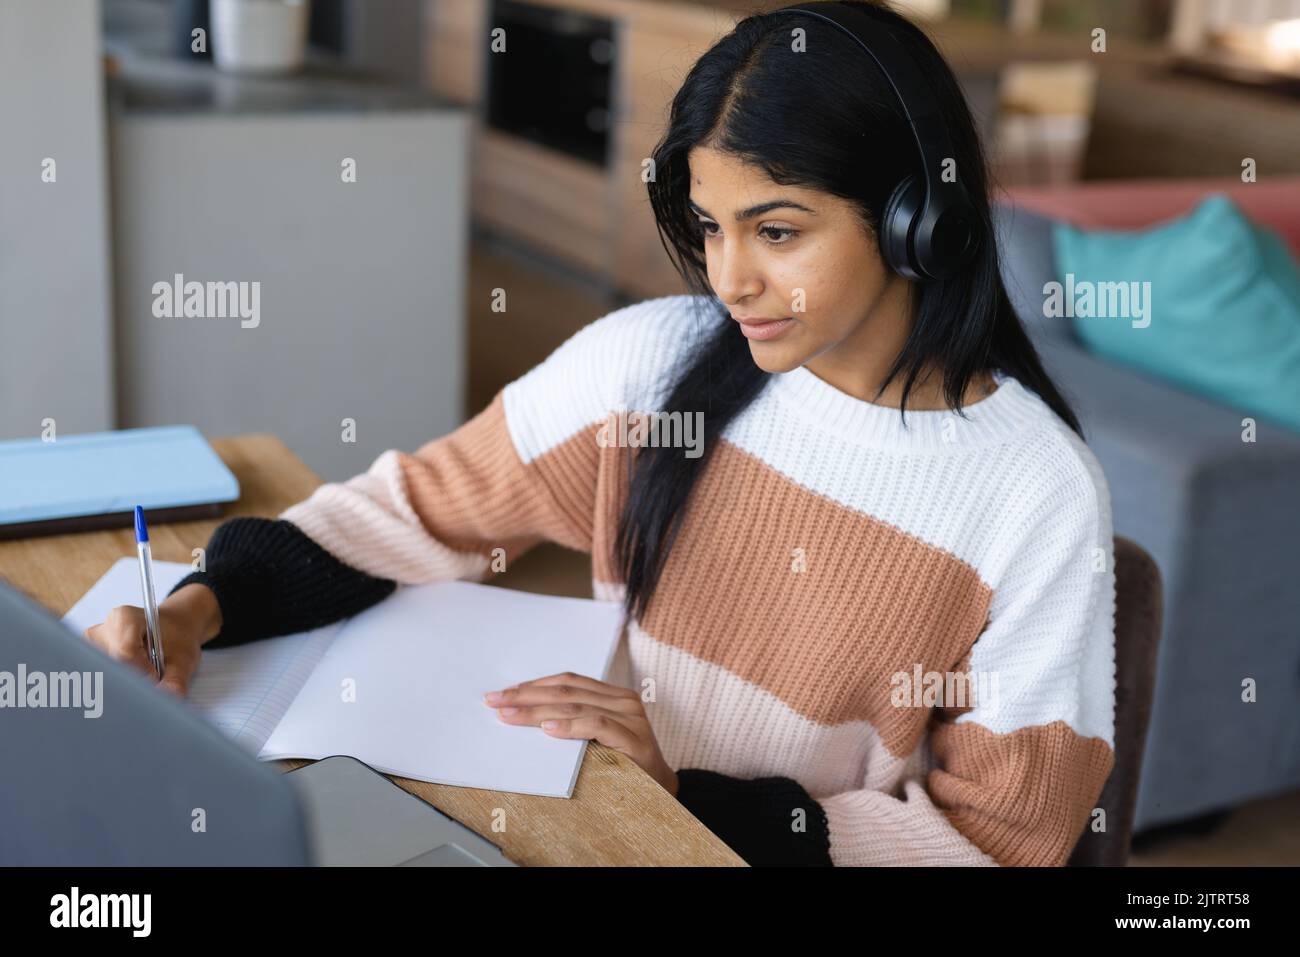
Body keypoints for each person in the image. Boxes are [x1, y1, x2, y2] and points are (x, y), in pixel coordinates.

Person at [85, 0, 1115, 867]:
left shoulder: (1033, 492)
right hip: (597, 828)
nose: (729, 278)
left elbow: (998, 843)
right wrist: (197, 610)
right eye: (710, 227)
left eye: (778, 230)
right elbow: (415, 510)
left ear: (913, 222)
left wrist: (696, 802)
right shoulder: (652, 364)